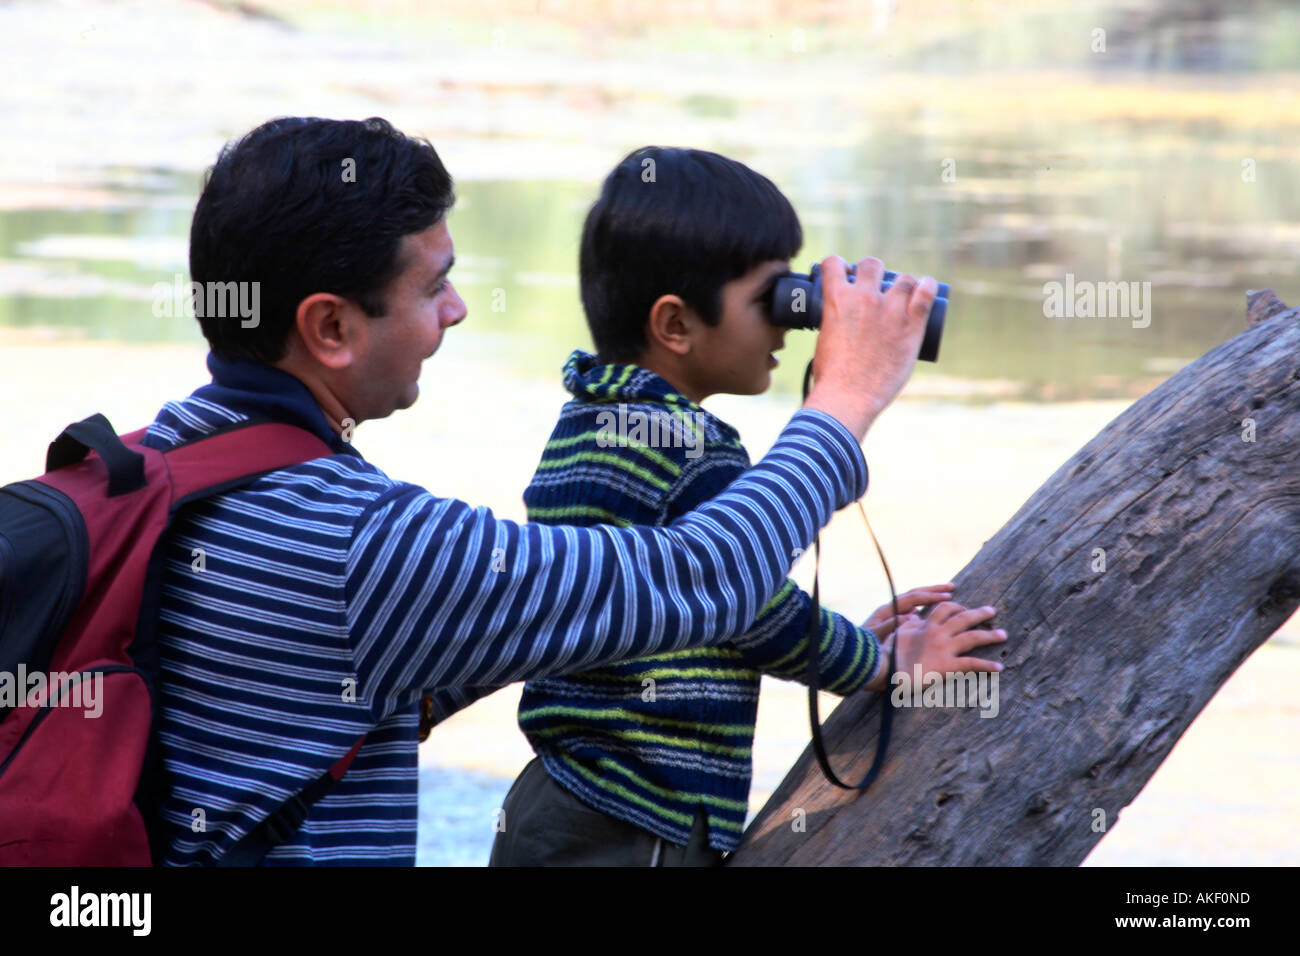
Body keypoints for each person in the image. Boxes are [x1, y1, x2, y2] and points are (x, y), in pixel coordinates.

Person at [141, 116, 947, 865]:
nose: (456, 312)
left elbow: (506, 634)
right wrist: (845, 400)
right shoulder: (360, 540)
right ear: (330, 329)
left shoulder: (171, 460)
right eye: (433, 290)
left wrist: (838, 638)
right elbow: (710, 577)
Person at [487, 147, 1006, 866]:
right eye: (773, 298)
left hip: (565, 803)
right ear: (675, 326)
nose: (792, 321)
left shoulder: (593, 422)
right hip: (637, 818)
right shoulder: (685, 445)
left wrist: (845, 633)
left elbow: (703, 608)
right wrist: (884, 663)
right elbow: (753, 608)